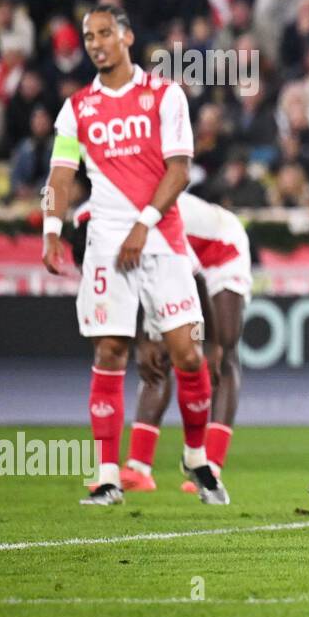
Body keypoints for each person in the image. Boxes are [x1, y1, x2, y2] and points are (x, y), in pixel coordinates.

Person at [40, 5, 226, 506]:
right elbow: (60, 176)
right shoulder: (76, 108)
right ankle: (107, 476)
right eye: (88, 36)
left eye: (104, 33)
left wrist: (143, 225)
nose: (96, 43)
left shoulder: (165, 96)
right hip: (104, 244)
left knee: (187, 352)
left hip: (160, 239)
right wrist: (52, 227)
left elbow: (179, 171)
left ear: (126, 37)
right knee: (109, 352)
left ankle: (195, 456)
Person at [117, 192, 251, 493]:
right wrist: (145, 339)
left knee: (224, 351)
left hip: (222, 253)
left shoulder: (152, 219)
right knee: (157, 355)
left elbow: (197, 277)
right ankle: (138, 468)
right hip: (177, 262)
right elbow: (128, 283)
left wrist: (211, 343)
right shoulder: (112, 221)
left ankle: (210, 465)